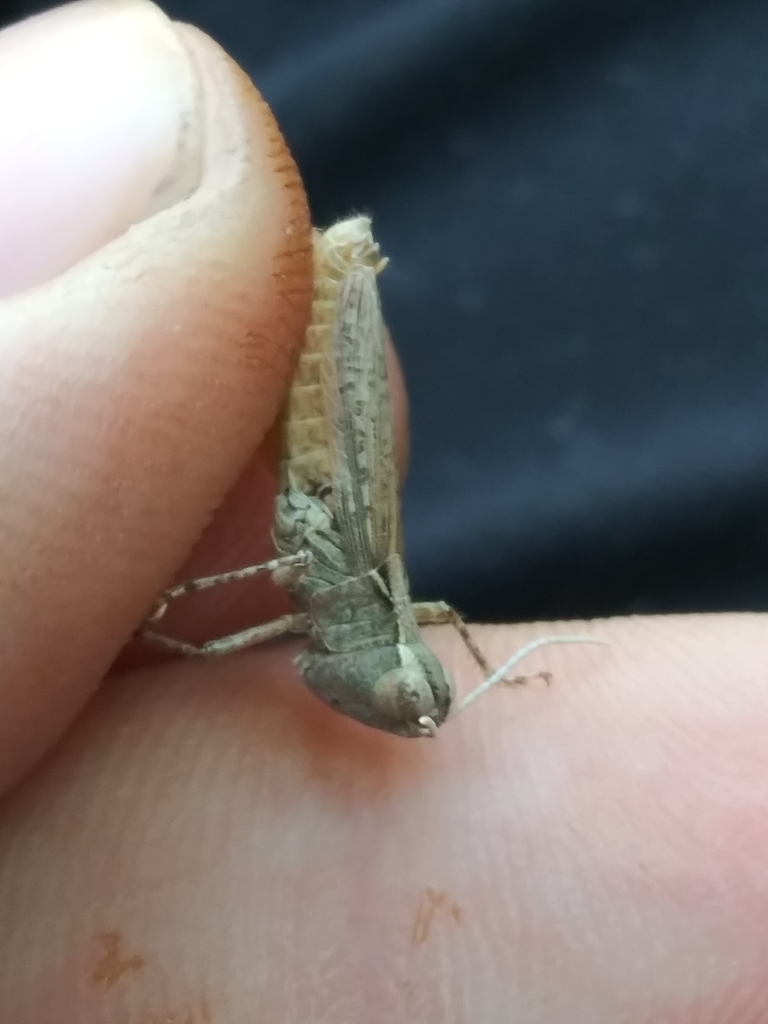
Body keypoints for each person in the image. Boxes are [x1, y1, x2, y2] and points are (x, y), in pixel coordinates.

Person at [0, 3, 765, 1021]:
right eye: (412, 700)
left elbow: (335, 644)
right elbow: (359, 613)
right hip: (329, 466)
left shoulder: (361, 647)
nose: (411, 718)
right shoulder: (361, 604)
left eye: (411, 705)